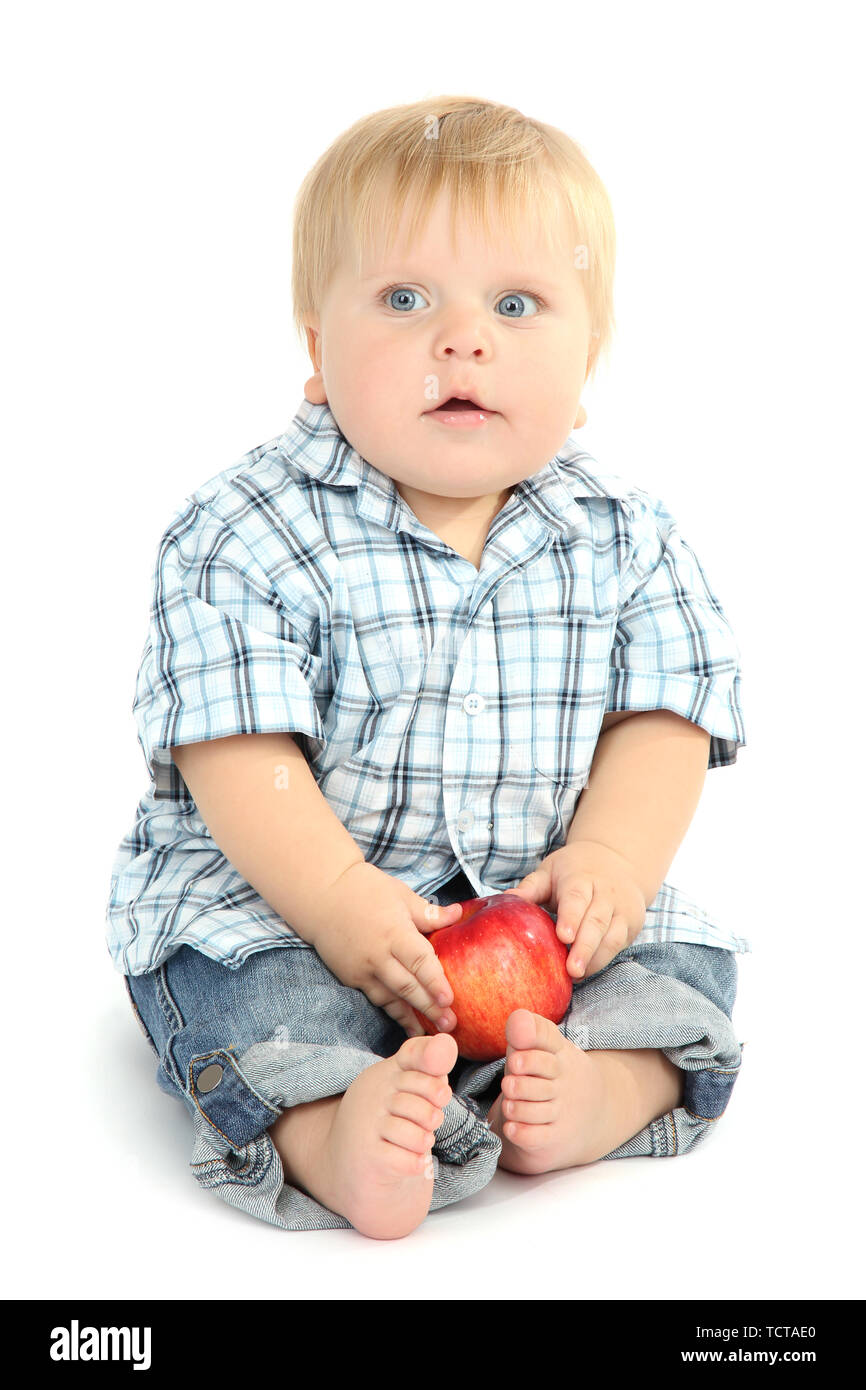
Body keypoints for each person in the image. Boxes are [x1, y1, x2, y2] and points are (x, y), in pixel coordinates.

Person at [107, 95, 749, 1240]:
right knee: (245, 994)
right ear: (315, 349)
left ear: (587, 360)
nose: (462, 340)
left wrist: (607, 858)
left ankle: (602, 1087)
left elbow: (665, 718)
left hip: (529, 904)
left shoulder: (623, 533)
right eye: (405, 301)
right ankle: (332, 1128)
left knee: (685, 953)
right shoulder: (243, 530)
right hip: (294, 904)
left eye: (515, 304)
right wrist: (338, 901)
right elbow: (233, 743)